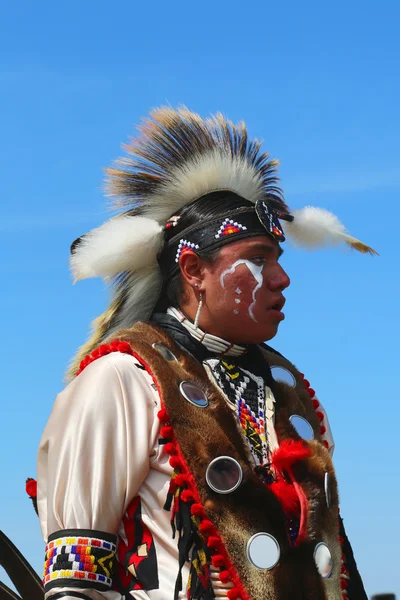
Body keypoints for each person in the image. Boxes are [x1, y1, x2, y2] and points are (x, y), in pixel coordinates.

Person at [36, 107, 375, 600]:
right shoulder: (123, 379)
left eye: (279, 259)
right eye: (257, 260)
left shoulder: (288, 389)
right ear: (194, 270)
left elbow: (334, 558)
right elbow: (78, 580)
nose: (281, 279)